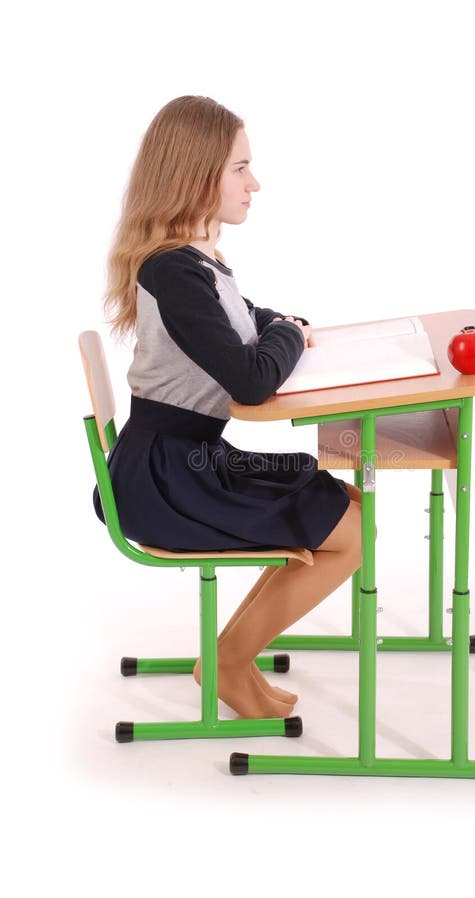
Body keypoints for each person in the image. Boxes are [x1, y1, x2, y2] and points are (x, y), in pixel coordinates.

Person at [98, 95, 363, 720]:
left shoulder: (195, 259)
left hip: (186, 455)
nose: (255, 183)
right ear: (197, 175)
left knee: (344, 503)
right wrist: (290, 335)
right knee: (353, 536)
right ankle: (228, 663)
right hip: (170, 473)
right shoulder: (175, 271)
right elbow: (249, 380)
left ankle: (229, 657)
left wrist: (282, 325)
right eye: (240, 168)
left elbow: (247, 325)